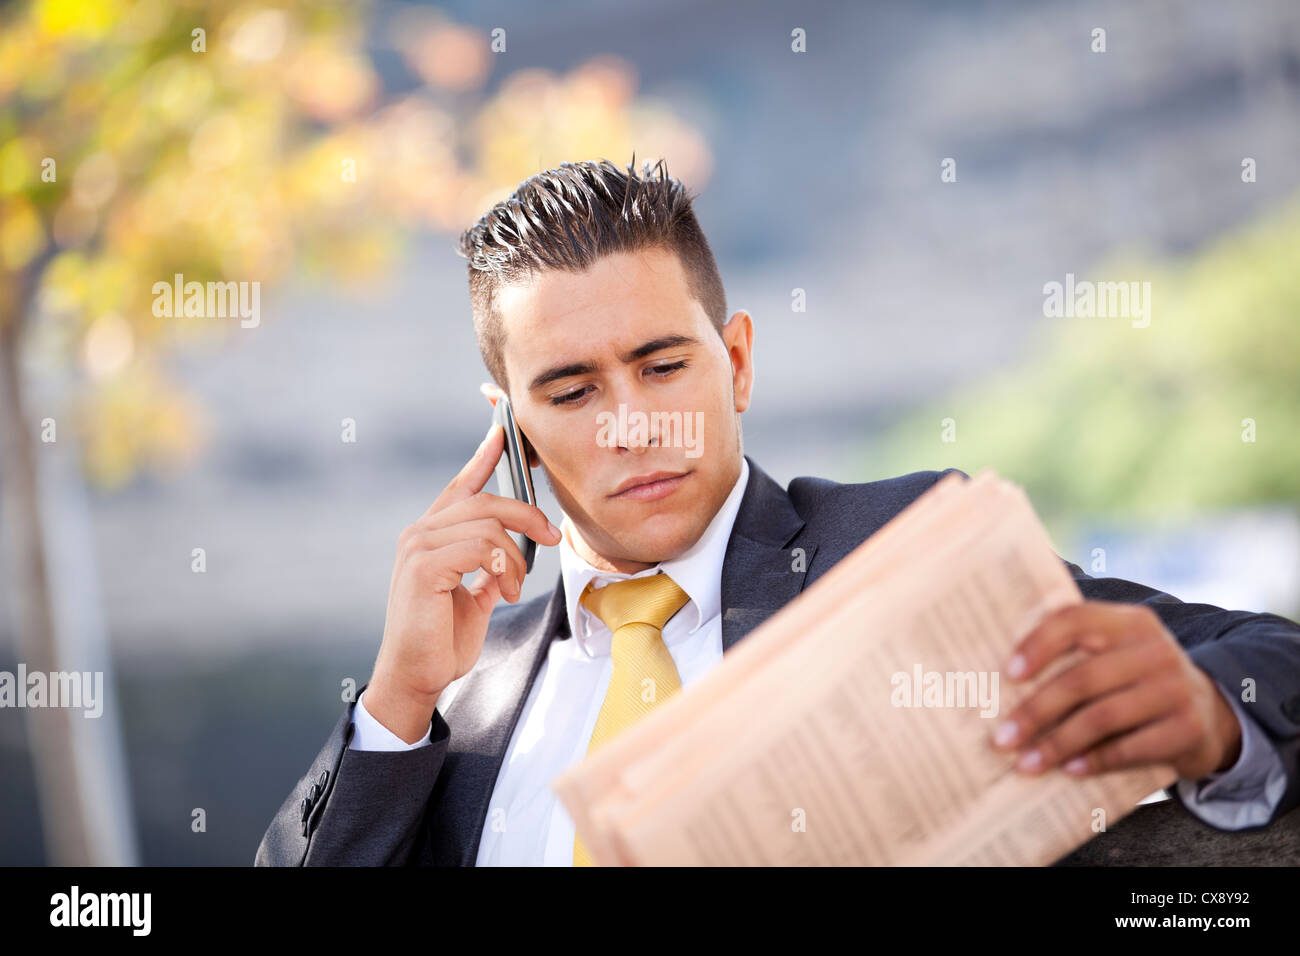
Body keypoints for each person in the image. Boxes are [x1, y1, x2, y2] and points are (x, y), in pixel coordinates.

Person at [255, 157, 1300, 866]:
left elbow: (1269, 654)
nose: (633, 425)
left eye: (663, 365)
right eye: (571, 392)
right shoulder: (449, 700)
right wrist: (395, 702)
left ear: (738, 360)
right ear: (510, 424)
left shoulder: (896, 547)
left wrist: (1209, 714)